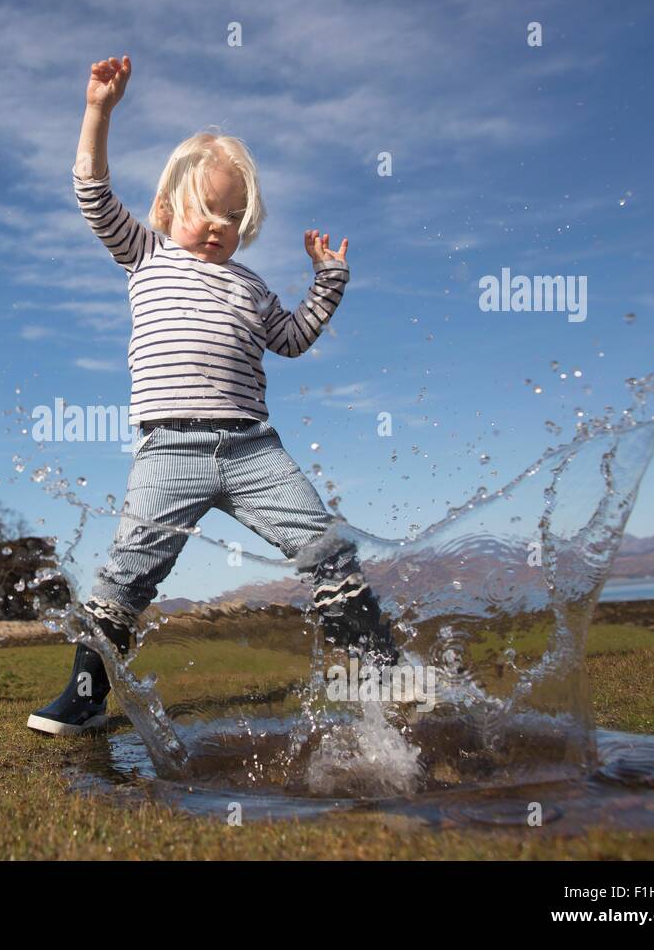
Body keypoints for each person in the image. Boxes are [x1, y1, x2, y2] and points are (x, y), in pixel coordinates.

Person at [27, 55, 399, 737]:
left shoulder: (252, 286)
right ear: (167, 210)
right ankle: (84, 694)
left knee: (325, 547)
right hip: (170, 448)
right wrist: (99, 111)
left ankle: (382, 667)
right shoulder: (147, 253)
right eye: (207, 209)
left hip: (255, 448)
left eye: (235, 215)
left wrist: (330, 281)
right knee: (128, 572)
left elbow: (291, 339)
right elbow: (91, 192)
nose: (220, 225)